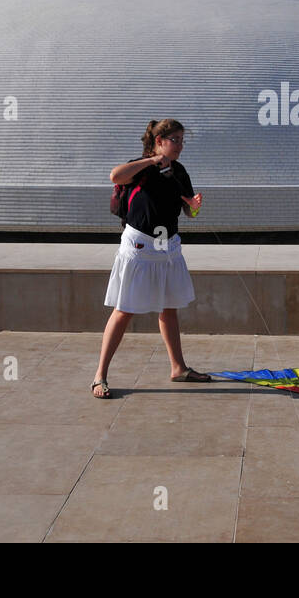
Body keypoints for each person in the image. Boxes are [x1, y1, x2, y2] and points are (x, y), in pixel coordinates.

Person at [92, 119, 208, 399]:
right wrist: (152, 161)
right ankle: (99, 375)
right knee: (124, 310)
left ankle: (178, 368)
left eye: (182, 140)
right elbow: (115, 176)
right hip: (139, 249)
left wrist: (194, 208)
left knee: (169, 309)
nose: (180, 146)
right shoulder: (140, 167)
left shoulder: (178, 171)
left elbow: (188, 210)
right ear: (159, 141)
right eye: (175, 140)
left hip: (168, 249)